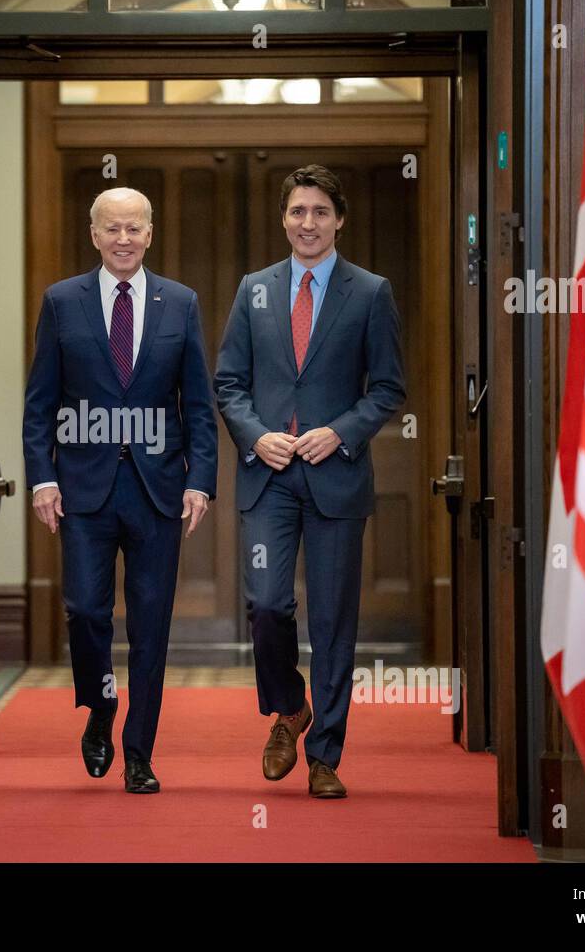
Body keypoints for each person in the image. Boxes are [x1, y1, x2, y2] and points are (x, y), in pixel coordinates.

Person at [213, 165, 405, 798]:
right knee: (267, 604)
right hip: (269, 478)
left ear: (339, 220)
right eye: (298, 211)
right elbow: (229, 384)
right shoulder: (254, 290)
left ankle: (325, 754)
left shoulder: (371, 292)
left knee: (331, 621)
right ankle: (290, 707)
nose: (308, 223)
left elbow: (386, 389)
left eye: (320, 212)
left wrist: (342, 431)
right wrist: (253, 434)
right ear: (284, 219)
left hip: (335, 478)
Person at [22, 187, 218, 793]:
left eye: (135, 229)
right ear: (94, 234)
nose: (124, 239)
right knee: (84, 610)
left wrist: (200, 481)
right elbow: (40, 405)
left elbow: (200, 407)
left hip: (158, 491)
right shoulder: (62, 302)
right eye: (113, 229)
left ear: (150, 234)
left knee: (152, 624)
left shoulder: (180, 303)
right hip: (83, 489)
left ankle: (140, 752)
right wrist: (43, 476)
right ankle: (101, 704)